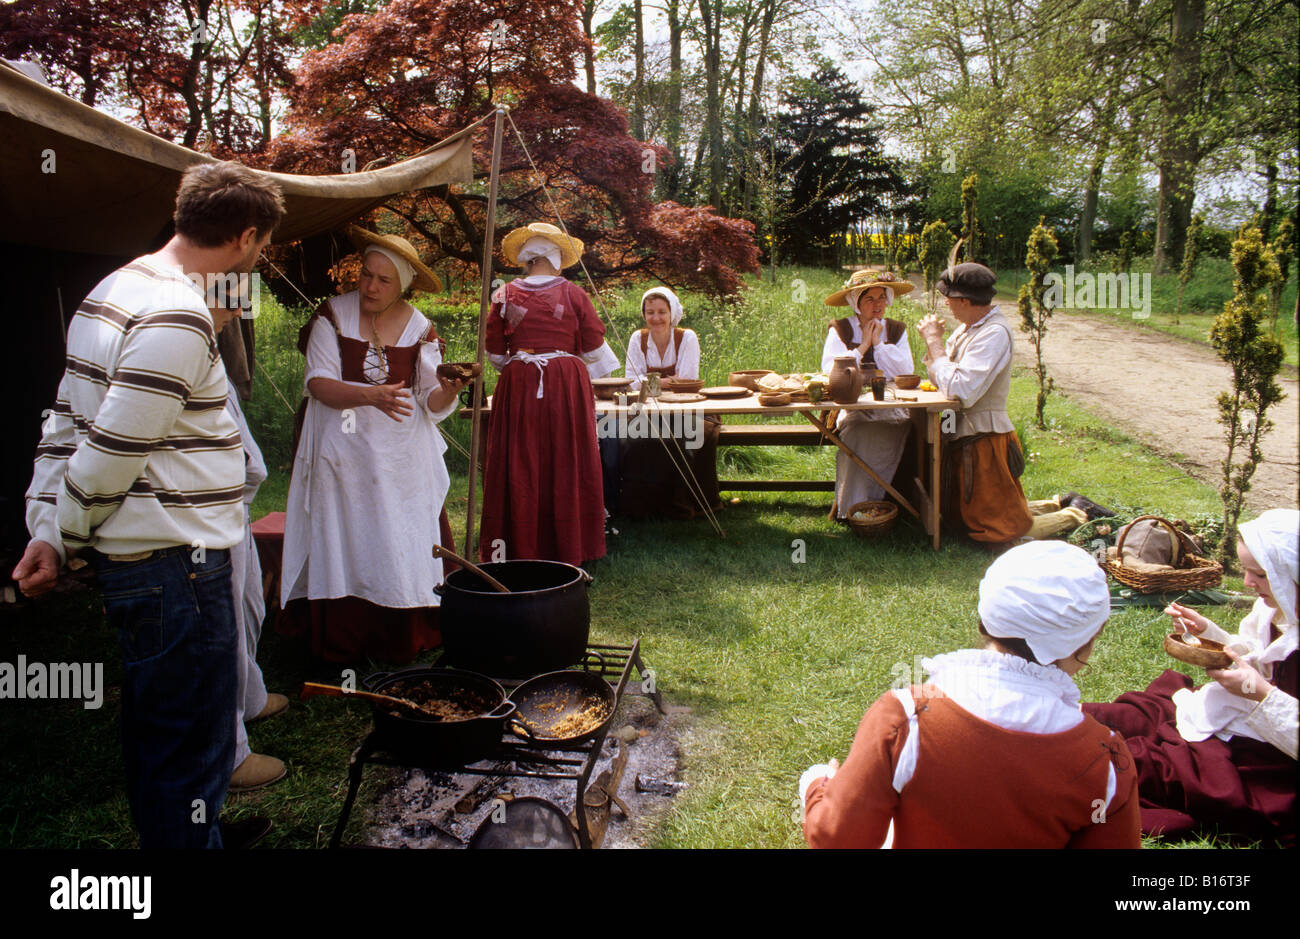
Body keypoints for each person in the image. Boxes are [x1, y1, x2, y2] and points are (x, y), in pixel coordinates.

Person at [13, 161, 284, 848]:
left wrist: (44, 525)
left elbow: (58, 427)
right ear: (246, 236)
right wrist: (62, 536)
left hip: (160, 564)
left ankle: (197, 835)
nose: (261, 258)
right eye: (263, 245)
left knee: (162, 734)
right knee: (187, 745)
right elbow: (106, 451)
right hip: (177, 567)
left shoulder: (111, 288)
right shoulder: (175, 314)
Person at [801, 540, 1140, 848]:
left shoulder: (905, 718)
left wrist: (819, 785)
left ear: (984, 619)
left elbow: (836, 839)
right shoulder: (1108, 762)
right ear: (1086, 643)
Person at [279, 228, 467, 664]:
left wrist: (451, 390)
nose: (370, 286)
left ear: (401, 285)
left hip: (401, 452)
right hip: (341, 448)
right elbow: (318, 383)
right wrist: (372, 396)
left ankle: (403, 629)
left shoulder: (421, 327)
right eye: (366, 275)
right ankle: (346, 636)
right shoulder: (332, 314)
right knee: (347, 534)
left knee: (398, 531)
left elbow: (428, 400)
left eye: (384, 281)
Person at [1084, 509, 1297, 845]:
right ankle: (1042, 726)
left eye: (1259, 574)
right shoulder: (1275, 609)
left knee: (1138, 761)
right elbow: (1253, 656)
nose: (1246, 583)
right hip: (1231, 712)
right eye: (1246, 570)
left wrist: (1261, 695)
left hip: (1263, 756)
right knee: (1117, 717)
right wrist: (1207, 633)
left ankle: (1054, 761)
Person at [916, 262, 1096, 547]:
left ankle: (1077, 513)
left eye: (948, 298)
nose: (946, 304)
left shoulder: (993, 333)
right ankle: (1057, 503)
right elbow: (940, 376)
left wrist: (935, 343)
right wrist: (935, 347)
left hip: (982, 440)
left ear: (964, 300)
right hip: (960, 434)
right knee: (968, 518)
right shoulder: (967, 329)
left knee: (999, 533)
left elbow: (961, 390)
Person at [481, 222, 618, 565]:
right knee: (566, 457)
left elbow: (496, 354)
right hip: (564, 384)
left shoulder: (504, 295)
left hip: (520, 382)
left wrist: (524, 361)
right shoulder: (574, 294)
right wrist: (562, 356)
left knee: (521, 458)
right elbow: (594, 349)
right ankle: (569, 547)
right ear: (557, 260)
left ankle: (517, 547)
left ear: (527, 260)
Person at [618, 286, 720, 519]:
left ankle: (695, 502)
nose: (656, 318)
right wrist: (671, 381)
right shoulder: (638, 338)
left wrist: (650, 381)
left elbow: (689, 379)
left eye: (662, 312)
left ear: (672, 312)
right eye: (650, 312)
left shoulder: (687, 337)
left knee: (693, 435)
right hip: (649, 410)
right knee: (634, 439)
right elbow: (632, 382)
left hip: (687, 407)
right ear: (644, 313)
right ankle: (649, 504)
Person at [820, 270, 915, 519]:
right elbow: (831, 372)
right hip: (851, 406)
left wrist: (879, 345)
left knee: (900, 425)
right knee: (859, 430)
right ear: (856, 303)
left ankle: (884, 501)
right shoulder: (840, 330)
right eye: (869, 299)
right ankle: (854, 505)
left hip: (891, 404)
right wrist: (862, 346)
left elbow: (906, 370)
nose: (878, 305)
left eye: (882, 298)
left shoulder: (895, 330)